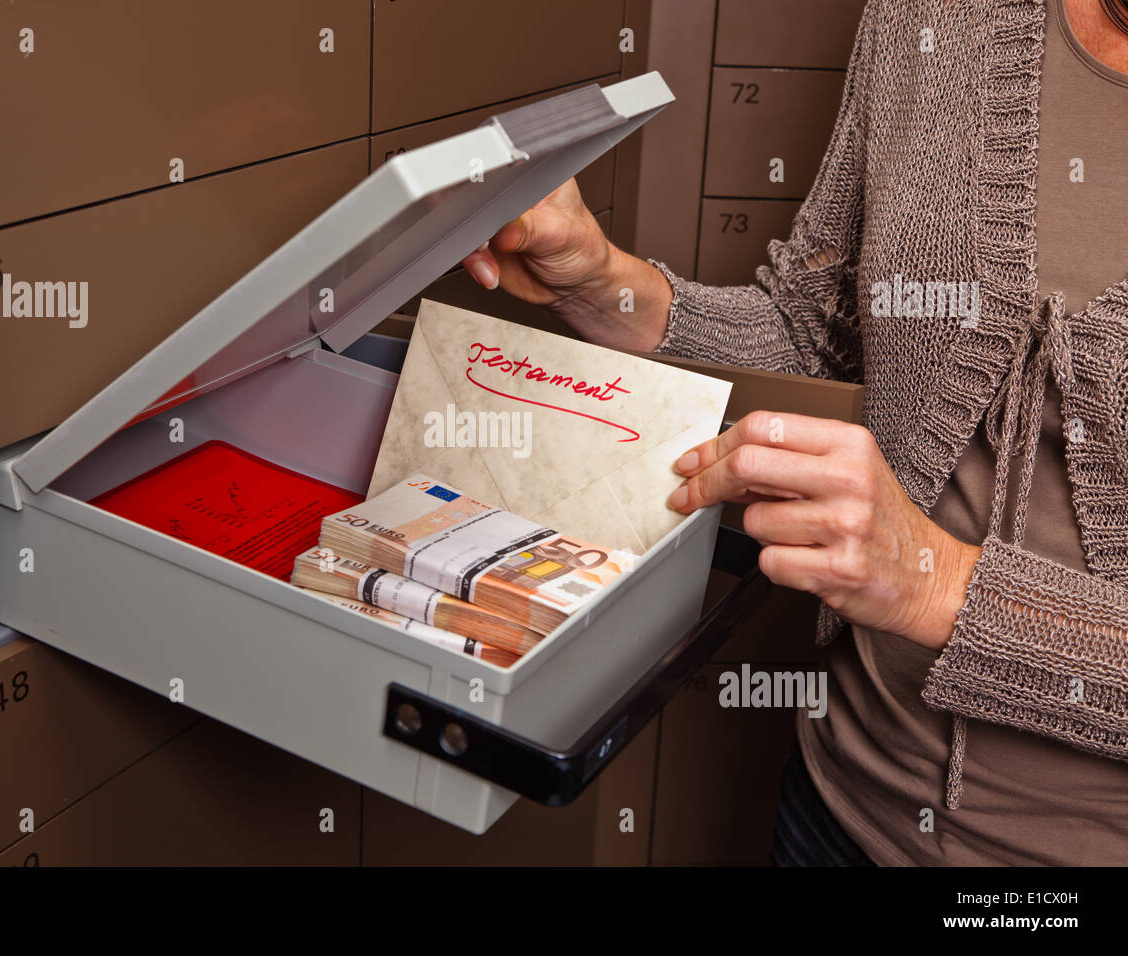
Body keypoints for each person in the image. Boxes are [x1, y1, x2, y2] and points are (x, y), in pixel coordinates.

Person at [461, 0, 1128, 866]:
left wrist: (934, 585)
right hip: (838, 804)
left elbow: (923, 574)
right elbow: (815, 327)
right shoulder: (935, 16)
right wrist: (603, 291)